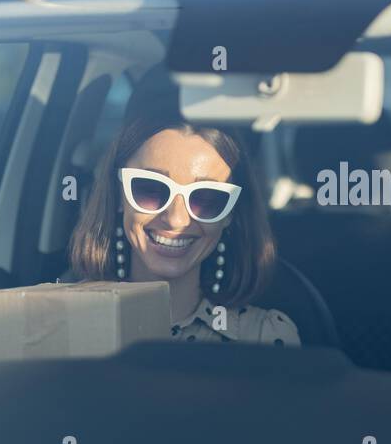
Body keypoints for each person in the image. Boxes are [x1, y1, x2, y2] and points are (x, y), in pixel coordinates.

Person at [67, 112, 299, 346]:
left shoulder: (263, 339)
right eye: (151, 189)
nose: (176, 220)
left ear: (230, 213)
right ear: (118, 195)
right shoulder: (66, 323)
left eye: (207, 199)